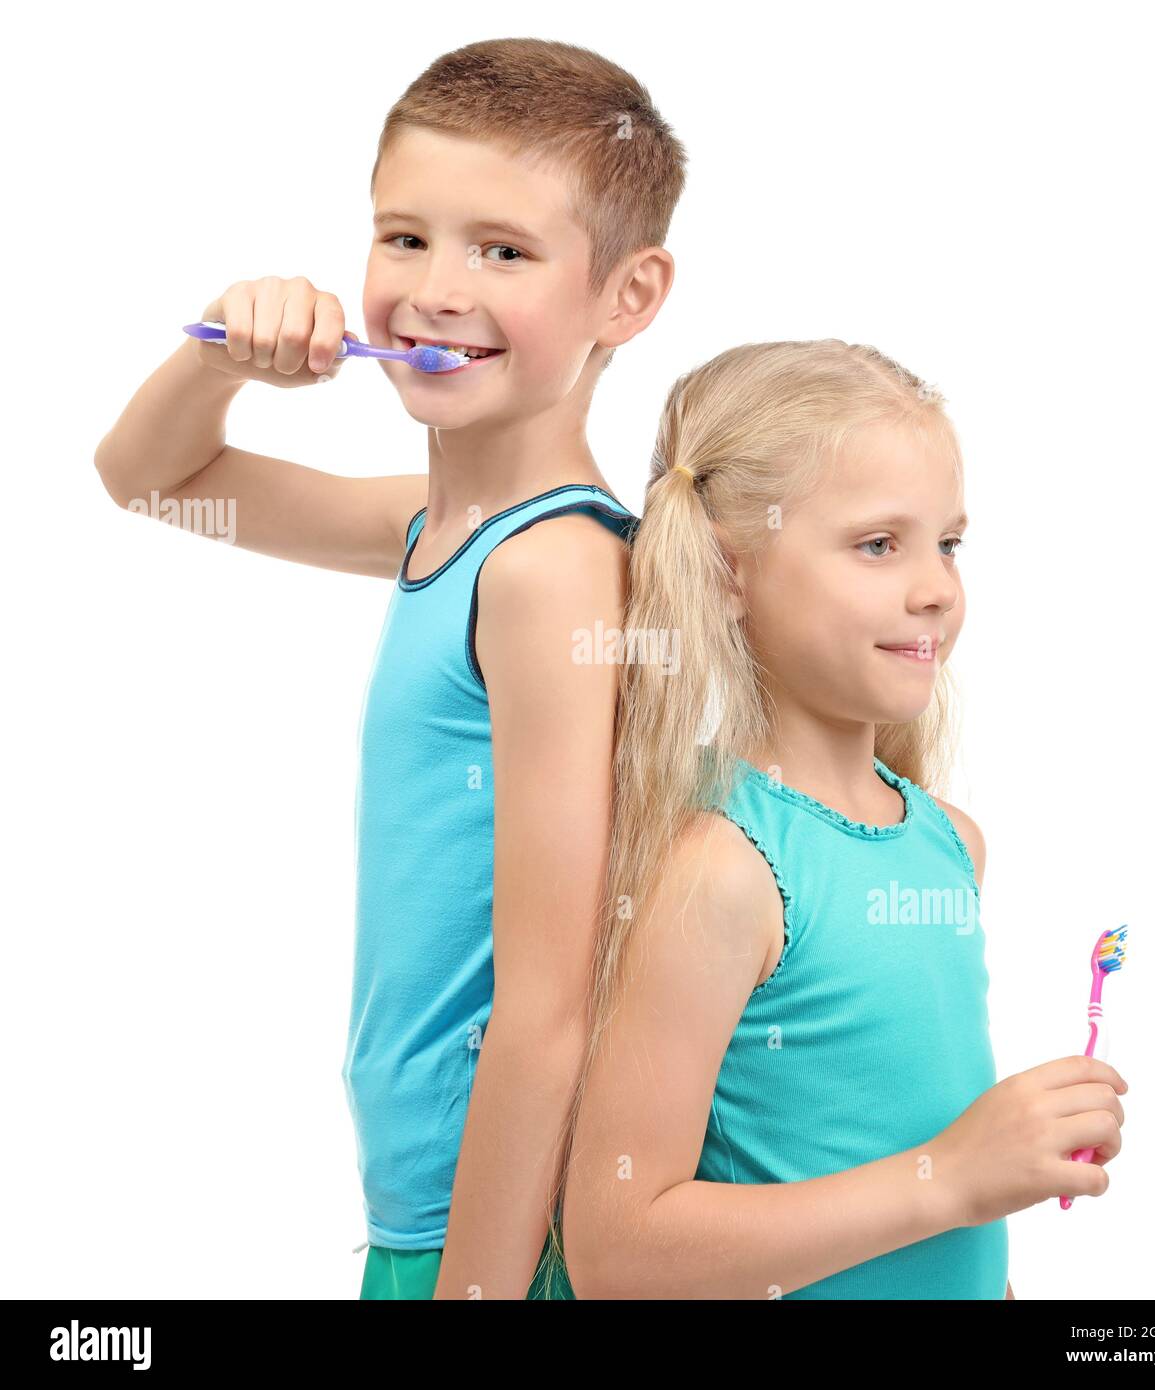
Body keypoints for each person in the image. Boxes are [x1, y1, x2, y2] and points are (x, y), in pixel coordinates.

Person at [92, 37, 687, 1300]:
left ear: (628, 298)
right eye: (404, 237)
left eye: (504, 251)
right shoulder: (437, 535)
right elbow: (144, 479)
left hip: (506, 1239)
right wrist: (218, 356)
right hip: (431, 1208)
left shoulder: (549, 575)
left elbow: (550, 1006)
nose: (435, 289)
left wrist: (471, 1285)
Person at [558, 340, 1128, 1298]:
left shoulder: (949, 843)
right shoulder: (722, 867)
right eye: (878, 544)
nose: (935, 588)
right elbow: (618, 1250)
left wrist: (989, 1174)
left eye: (946, 543)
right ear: (726, 573)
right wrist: (949, 1176)